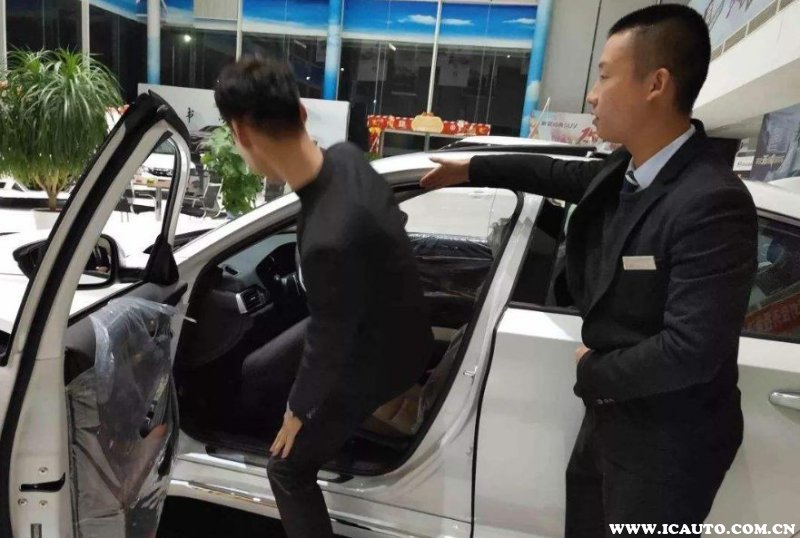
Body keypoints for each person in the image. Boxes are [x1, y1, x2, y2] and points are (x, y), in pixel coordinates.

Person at [421, 5, 757, 536]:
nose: (592, 95)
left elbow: (692, 351)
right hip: (612, 419)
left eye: (604, 76)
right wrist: (473, 167)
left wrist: (592, 370)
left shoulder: (710, 201)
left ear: (656, 84)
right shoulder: (631, 167)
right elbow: (559, 174)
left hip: (667, 445)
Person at [214, 56, 434, 538]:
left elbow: (330, 342)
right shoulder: (347, 159)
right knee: (257, 370)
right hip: (396, 328)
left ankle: (292, 446)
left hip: (379, 357)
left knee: (285, 470)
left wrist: (298, 412)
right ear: (302, 112)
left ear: (241, 133)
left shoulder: (326, 236)